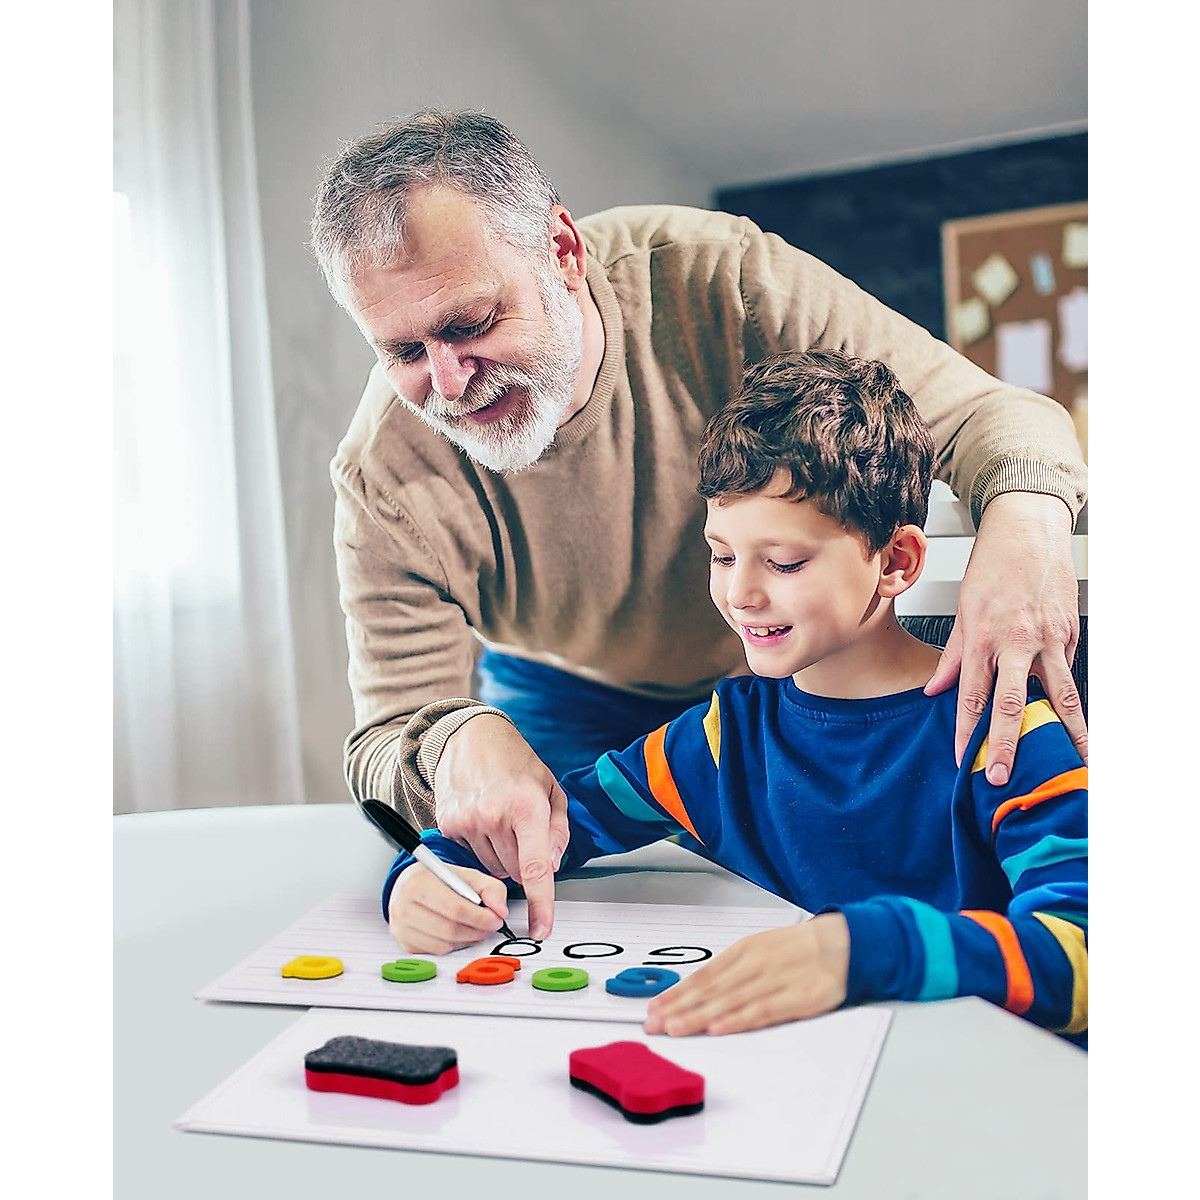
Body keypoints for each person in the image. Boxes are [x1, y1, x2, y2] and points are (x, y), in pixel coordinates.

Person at [314, 109, 1088, 941]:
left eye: (472, 324)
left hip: (790, 686)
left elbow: (986, 415)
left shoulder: (721, 278)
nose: (449, 379)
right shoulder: (383, 475)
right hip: (584, 694)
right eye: (401, 351)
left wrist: (1028, 533)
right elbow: (391, 738)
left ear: (563, 254)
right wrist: (455, 745)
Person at [382, 350, 1088, 1045]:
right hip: (793, 1086)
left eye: (784, 561)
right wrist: (427, 873)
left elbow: (1081, 960)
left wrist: (859, 950)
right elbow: (547, 826)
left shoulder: (1007, 730)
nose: (740, 594)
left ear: (896, 562)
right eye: (722, 555)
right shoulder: (722, 739)